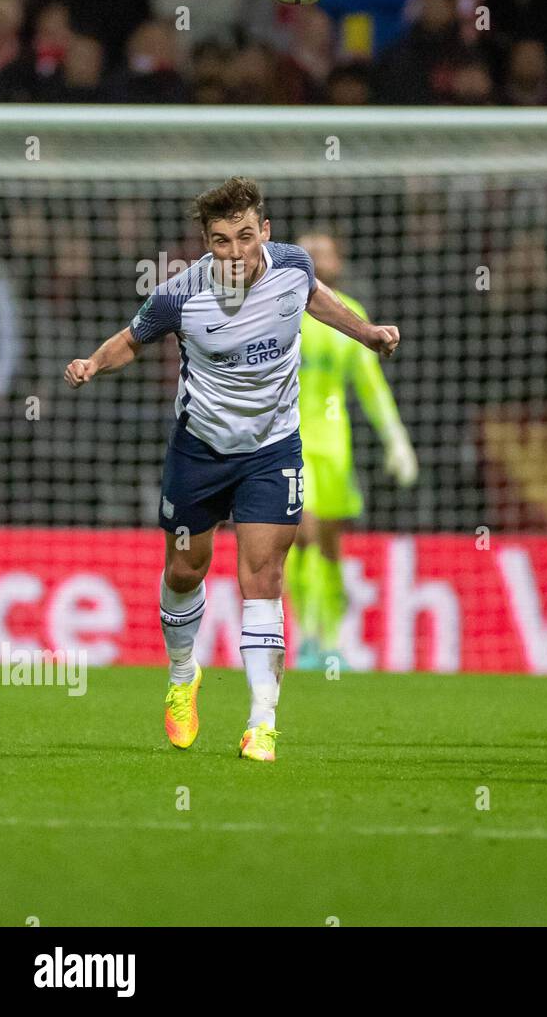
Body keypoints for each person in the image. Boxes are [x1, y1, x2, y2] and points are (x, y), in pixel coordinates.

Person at [63, 178, 401, 762]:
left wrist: (366, 333)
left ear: (264, 232)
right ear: (206, 243)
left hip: (272, 451)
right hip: (199, 453)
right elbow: (131, 339)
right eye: (222, 241)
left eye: (247, 236)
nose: (237, 251)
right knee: (186, 570)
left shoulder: (291, 266)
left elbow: (314, 296)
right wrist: (93, 364)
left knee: (262, 577)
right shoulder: (180, 294)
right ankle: (181, 675)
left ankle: (262, 723)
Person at [287, 232, 418, 671]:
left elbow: (371, 387)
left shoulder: (352, 317)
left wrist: (396, 438)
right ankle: (304, 633)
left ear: (338, 261)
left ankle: (329, 638)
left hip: (334, 448)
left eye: (324, 250)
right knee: (299, 536)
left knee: (328, 547)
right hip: (290, 443)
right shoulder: (283, 309)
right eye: (309, 250)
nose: (317, 257)